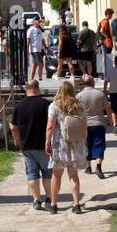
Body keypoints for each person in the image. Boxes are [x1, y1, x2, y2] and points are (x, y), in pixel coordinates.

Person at [9, 80, 53, 210]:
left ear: (26, 89)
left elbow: (13, 127)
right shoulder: (46, 104)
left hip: (27, 145)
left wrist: (17, 140)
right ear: (38, 89)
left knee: (32, 173)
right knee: (47, 173)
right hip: (44, 145)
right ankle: (49, 199)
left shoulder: (19, 106)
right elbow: (52, 124)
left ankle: (36, 200)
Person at [44, 81, 87, 213]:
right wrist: (83, 143)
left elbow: (50, 126)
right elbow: (84, 127)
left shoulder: (54, 106)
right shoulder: (79, 106)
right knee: (73, 176)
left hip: (59, 145)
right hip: (75, 144)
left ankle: (54, 205)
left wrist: (47, 142)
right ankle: (76, 205)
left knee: (56, 176)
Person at [76, 74, 115, 178]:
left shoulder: (79, 96)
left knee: (87, 145)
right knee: (99, 145)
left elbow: (76, 112)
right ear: (92, 82)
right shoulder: (100, 94)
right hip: (98, 123)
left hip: (84, 125)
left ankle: (88, 167)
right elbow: (108, 109)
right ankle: (98, 166)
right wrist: (111, 121)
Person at [27, 18, 48, 82]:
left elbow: (42, 39)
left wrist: (45, 47)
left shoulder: (39, 29)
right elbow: (28, 39)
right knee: (41, 64)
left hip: (40, 49)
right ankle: (40, 78)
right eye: (37, 21)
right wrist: (27, 49)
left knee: (35, 65)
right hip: (34, 50)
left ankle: (32, 79)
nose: (39, 22)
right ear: (34, 22)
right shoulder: (31, 29)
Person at [97, 8, 114, 76]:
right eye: (111, 14)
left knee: (106, 58)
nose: (111, 16)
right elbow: (101, 31)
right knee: (107, 58)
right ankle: (105, 75)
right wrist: (107, 37)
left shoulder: (103, 21)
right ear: (108, 14)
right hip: (106, 43)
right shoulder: (105, 22)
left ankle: (105, 74)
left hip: (104, 42)